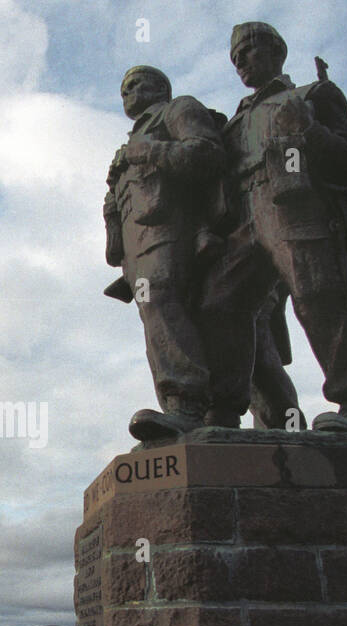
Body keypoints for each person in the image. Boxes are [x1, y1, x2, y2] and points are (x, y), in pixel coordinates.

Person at [207, 21, 347, 440]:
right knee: (216, 305)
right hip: (243, 219)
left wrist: (308, 129)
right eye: (235, 58)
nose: (241, 63)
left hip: (295, 205)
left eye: (248, 51)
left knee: (319, 295)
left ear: (276, 51)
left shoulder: (314, 96)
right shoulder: (234, 124)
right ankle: (225, 412)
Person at [103, 65, 230, 439]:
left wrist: (149, 151)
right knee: (156, 310)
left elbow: (206, 153)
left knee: (160, 298)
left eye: (137, 84)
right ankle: (191, 406)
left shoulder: (177, 110)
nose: (128, 92)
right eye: (123, 88)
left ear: (161, 88)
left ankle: (186, 403)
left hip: (176, 227)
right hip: (138, 244)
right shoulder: (127, 144)